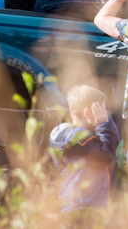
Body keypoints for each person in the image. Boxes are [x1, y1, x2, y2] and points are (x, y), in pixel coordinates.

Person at [48, 84, 120, 216]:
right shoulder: (78, 138)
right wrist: (104, 124)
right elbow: (107, 154)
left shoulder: (77, 137)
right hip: (83, 207)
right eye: (102, 110)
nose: (105, 115)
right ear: (87, 113)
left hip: (82, 205)